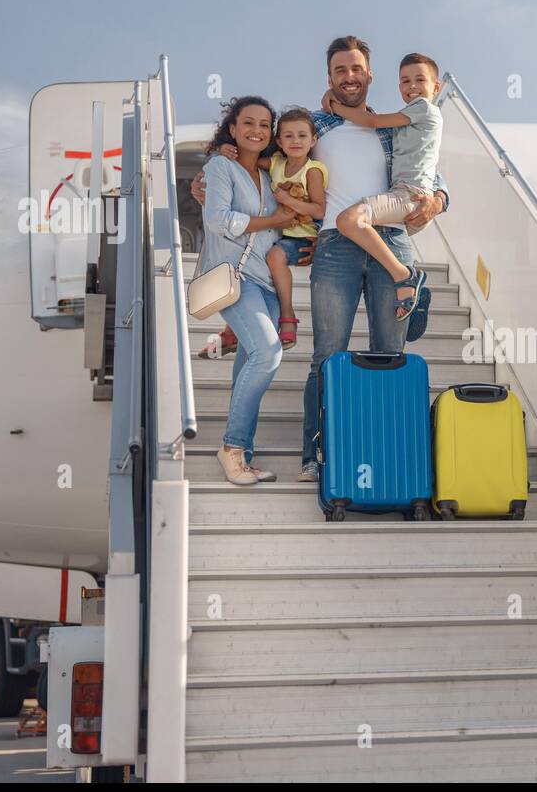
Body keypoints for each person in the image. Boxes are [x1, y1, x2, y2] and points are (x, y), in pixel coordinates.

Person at [193, 36, 450, 483]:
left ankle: (384, 454)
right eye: (339, 71)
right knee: (328, 357)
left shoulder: (397, 124)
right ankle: (318, 454)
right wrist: (217, 158)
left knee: (390, 353)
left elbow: (429, 170)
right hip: (333, 248)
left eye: (356, 70)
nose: (348, 78)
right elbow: (256, 154)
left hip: (390, 241)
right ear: (329, 78)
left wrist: (442, 197)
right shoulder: (312, 127)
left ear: (369, 75)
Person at [198, 96, 298, 485]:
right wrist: (271, 218)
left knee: (249, 361)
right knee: (268, 352)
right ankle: (232, 448)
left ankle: (244, 456)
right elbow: (219, 220)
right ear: (233, 129)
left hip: (267, 281)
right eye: (248, 123)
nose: (257, 130)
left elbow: (283, 225)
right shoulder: (220, 166)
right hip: (232, 278)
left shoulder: (272, 172)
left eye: (264, 124)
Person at [321, 52, 442, 322]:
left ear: (437, 87)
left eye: (419, 80)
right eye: (405, 81)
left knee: (349, 219)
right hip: (398, 202)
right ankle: (410, 296)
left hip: (407, 198)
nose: (411, 86)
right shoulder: (405, 123)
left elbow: (373, 122)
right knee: (351, 222)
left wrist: (335, 106)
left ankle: (405, 276)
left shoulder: (419, 111)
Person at [207, 108, 328, 355]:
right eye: (289, 136)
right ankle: (231, 331)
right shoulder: (275, 164)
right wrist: (223, 150)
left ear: (313, 140)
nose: (296, 141)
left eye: (302, 136)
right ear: (279, 141)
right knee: (261, 263)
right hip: (277, 238)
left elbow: (319, 210)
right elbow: (243, 161)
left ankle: (288, 315)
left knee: (274, 257)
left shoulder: (312, 170)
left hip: (301, 237)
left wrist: (287, 201)